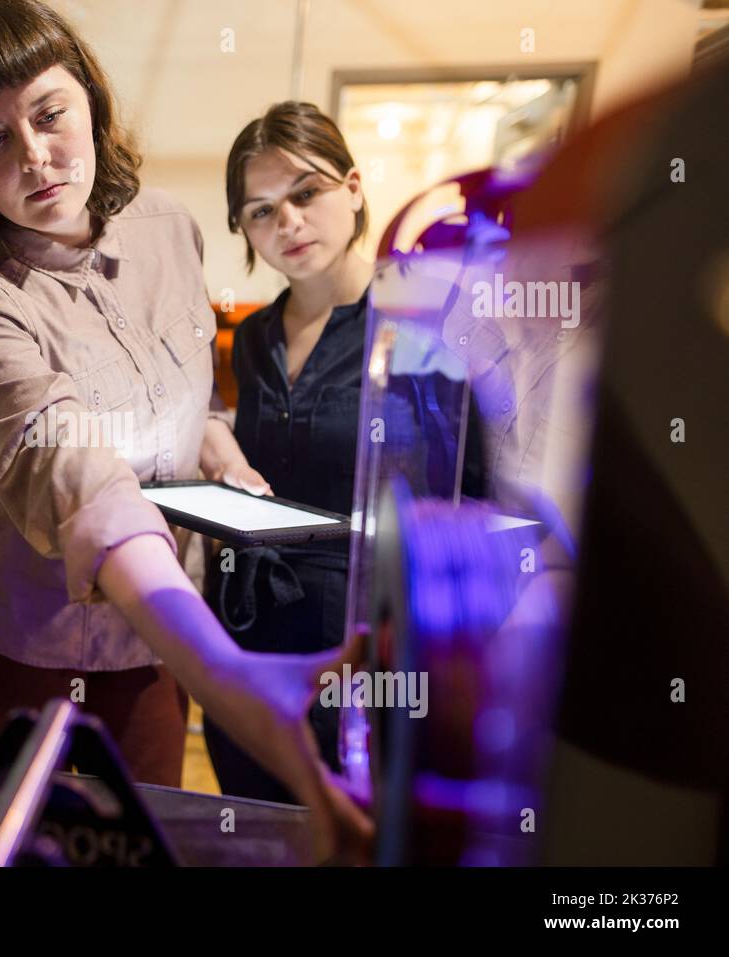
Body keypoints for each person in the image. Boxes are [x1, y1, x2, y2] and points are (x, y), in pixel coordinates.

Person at [0, 0, 367, 856]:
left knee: (145, 826)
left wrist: (216, 444)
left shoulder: (170, 228)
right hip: (30, 628)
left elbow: (188, 396)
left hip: (159, 626)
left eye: (49, 115)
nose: (36, 156)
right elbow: (70, 465)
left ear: (91, 102)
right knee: (38, 837)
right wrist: (222, 672)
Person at [199, 101, 484, 802]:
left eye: (305, 193)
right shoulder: (257, 335)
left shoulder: (421, 326)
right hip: (249, 640)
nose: (287, 223)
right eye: (260, 211)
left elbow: (472, 493)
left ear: (353, 188)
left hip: (361, 651)